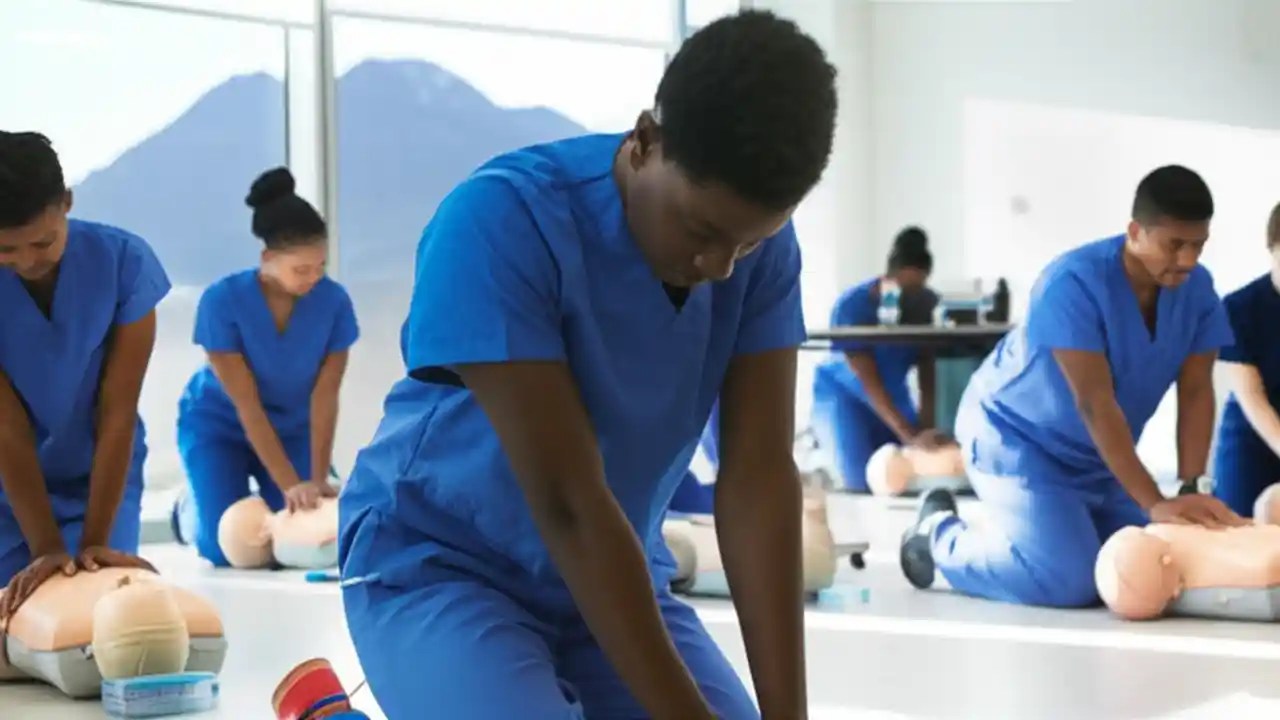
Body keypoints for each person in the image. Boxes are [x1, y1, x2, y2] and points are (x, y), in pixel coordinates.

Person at [338, 11, 837, 720]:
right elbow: (570, 504)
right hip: (443, 567)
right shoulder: (500, 221)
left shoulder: (761, 256)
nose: (722, 267)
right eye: (702, 231)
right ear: (645, 141)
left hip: (617, 582)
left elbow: (757, 475)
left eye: (749, 243)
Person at [899, 165, 1247, 609]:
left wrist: (1190, 487)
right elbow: (1094, 402)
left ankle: (1036, 532)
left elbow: (1197, 390)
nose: (1188, 261)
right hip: (1017, 440)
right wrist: (1153, 502)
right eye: (1174, 245)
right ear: (1135, 232)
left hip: (1097, 459)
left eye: (1198, 245)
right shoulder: (1072, 283)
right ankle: (940, 538)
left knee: (1149, 560)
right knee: (1070, 582)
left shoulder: (1197, 290)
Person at [0, 131, 170, 617]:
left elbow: (117, 414)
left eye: (42, 242)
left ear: (67, 203)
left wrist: (95, 543)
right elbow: (6, 428)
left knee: (102, 606)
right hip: (8, 481)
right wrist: (46, 548)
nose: (27, 262)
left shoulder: (126, 265)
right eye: (5, 251)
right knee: (21, 615)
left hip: (103, 472)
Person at [172, 167, 357, 568]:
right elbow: (246, 405)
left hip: (292, 427)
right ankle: (187, 512)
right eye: (301, 270)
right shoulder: (221, 303)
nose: (314, 279)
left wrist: (317, 477)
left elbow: (325, 396)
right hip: (219, 424)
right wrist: (291, 484)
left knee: (313, 536)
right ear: (267, 259)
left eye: (320, 266)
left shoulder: (334, 304)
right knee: (227, 548)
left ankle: (272, 499)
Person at [810, 227, 945, 492]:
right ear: (887, 278)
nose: (910, 299)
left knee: (911, 472)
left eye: (916, 290)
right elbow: (868, 381)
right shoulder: (852, 306)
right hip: (843, 394)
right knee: (860, 481)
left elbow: (928, 371)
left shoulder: (927, 304)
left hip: (893, 394)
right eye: (904, 291)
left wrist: (926, 429)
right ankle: (818, 461)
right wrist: (908, 434)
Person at [1212, 200, 1280, 517]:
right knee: (1242, 531)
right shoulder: (1239, 307)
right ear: (1272, 246)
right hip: (1252, 436)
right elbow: (1252, 396)